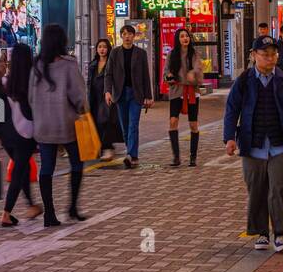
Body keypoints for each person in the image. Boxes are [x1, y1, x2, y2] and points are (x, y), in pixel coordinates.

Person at [225, 36, 283, 254]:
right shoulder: (244, 81)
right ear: (254, 56)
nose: (270, 58)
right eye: (265, 54)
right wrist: (229, 138)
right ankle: (262, 232)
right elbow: (232, 110)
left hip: (280, 143)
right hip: (252, 145)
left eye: (273, 54)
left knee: (279, 187)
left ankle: (280, 234)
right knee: (257, 189)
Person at [28, 24, 89, 225]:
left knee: (46, 169)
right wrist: (84, 111)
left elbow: (30, 97)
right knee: (77, 164)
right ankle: (72, 207)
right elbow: (79, 95)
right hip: (67, 125)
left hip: (43, 126)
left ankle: (49, 214)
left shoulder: (36, 65)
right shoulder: (69, 64)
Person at [0, 43, 43, 226]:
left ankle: (31, 205)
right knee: (18, 172)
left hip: (7, 136)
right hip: (25, 133)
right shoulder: (33, 81)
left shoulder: (5, 82)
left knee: (21, 169)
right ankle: (6, 213)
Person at [106, 22, 153, 168]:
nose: (127, 37)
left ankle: (131, 154)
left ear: (134, 36)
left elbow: (146, 75)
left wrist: (149, 95)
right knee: (125, 126)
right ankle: (131, 153)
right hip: (120, 93)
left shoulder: (141, 53)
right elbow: (109, 74)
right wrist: (107, 91)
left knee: (133, 124)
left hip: (135, 93)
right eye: (124, 34)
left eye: (130, 34)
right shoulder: (115, 52)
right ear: (121, 36)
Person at [164, 27, 204, 167]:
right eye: (181, 36)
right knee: (173, 121)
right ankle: (176, 157)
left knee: (193, 124)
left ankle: (193, 157)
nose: (185, 38)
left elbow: (198, 70)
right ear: (177, 39)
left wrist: (193, 74)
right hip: (176, 91)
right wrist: (168, 77)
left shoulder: (194, 54)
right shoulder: (171, 54)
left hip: (192, 92)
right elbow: (166, 71)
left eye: (186, 36)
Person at [87, 38, 119, 160]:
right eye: (99, 47)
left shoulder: (112, 64)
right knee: (96, 122)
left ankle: (107, 147)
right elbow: (89, 83)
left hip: (107, 96)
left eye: (104, 47)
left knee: (105, 122)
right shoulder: (92, 65)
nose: (102, 49)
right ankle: (99, 147)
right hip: (94, 97)